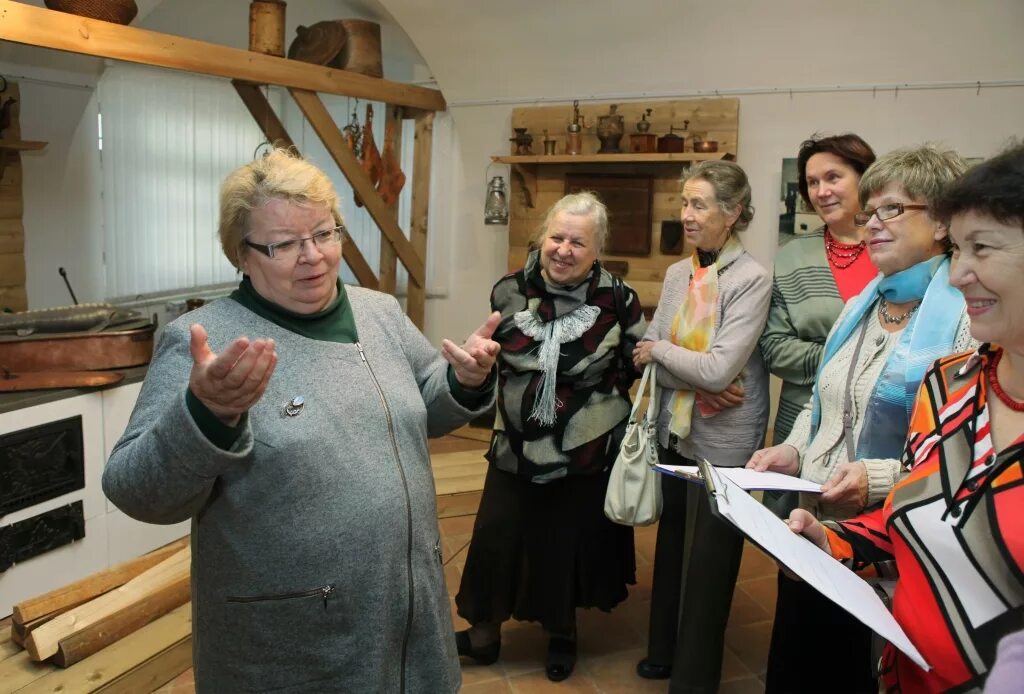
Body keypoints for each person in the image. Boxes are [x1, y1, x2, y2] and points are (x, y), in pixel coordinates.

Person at [102, 149, 500, 693]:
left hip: (407, 615)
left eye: (324, 234)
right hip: (294, 642)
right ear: (241, 255)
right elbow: (135, 490)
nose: (312, 256)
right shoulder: (207, 342)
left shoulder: (378, 312)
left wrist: (463, 381)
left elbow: (421, 401)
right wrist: (207, 413)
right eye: (284, 244)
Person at [787, 143, 1024, 693]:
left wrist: (871, 483)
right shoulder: (951, 383)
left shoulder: (962, 334)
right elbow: (924, 501)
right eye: (868, 213)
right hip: (904, 653)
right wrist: (835, 542)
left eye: (981, 248)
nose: (960, 274)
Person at [748, 144, 975, 692]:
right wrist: (795, 450)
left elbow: (963, 451)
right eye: (869, 211)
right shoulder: (863, 304)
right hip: (816, 522)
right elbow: (827, 400)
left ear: (942, 221)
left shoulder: (967, 315)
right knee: (801, 664)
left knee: (858, 672)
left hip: (893, 543)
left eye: (892, 210)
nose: (871, 224)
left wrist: (874, 478)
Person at [454, 192, 646, 682]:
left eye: (577, 242)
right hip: (514, 444)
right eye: (556, 237)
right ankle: (483, 635)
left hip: (584, 447)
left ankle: (562, 632)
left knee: (566, 541)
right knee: (497, 535)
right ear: (542, 237)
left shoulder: (618, 299)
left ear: (597, 247)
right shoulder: (507, 291)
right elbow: (492, 356)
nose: (563, 249)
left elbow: (630, 364)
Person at [633, 160, 772, 691]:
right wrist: (694, 374)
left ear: (733, 213)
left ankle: (694, 677)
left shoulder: (751, 278)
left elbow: (716, 367)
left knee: (711, 560)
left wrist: (671, 357)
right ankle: (664, 652)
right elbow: (644, 357)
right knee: (672, 549)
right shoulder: (677, 274)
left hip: (727, 437)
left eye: (699, 205)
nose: (685, 215)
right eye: (684, 203)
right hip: (676, 428)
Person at [761, 134, 877, 453]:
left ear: (865, 178)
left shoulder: (898, 250)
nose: (821, 192)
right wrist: (855, 360)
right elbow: (773, 347)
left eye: (833, 178)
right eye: (812, 182)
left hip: (880, 417)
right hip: (802, 419)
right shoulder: (792, 257)